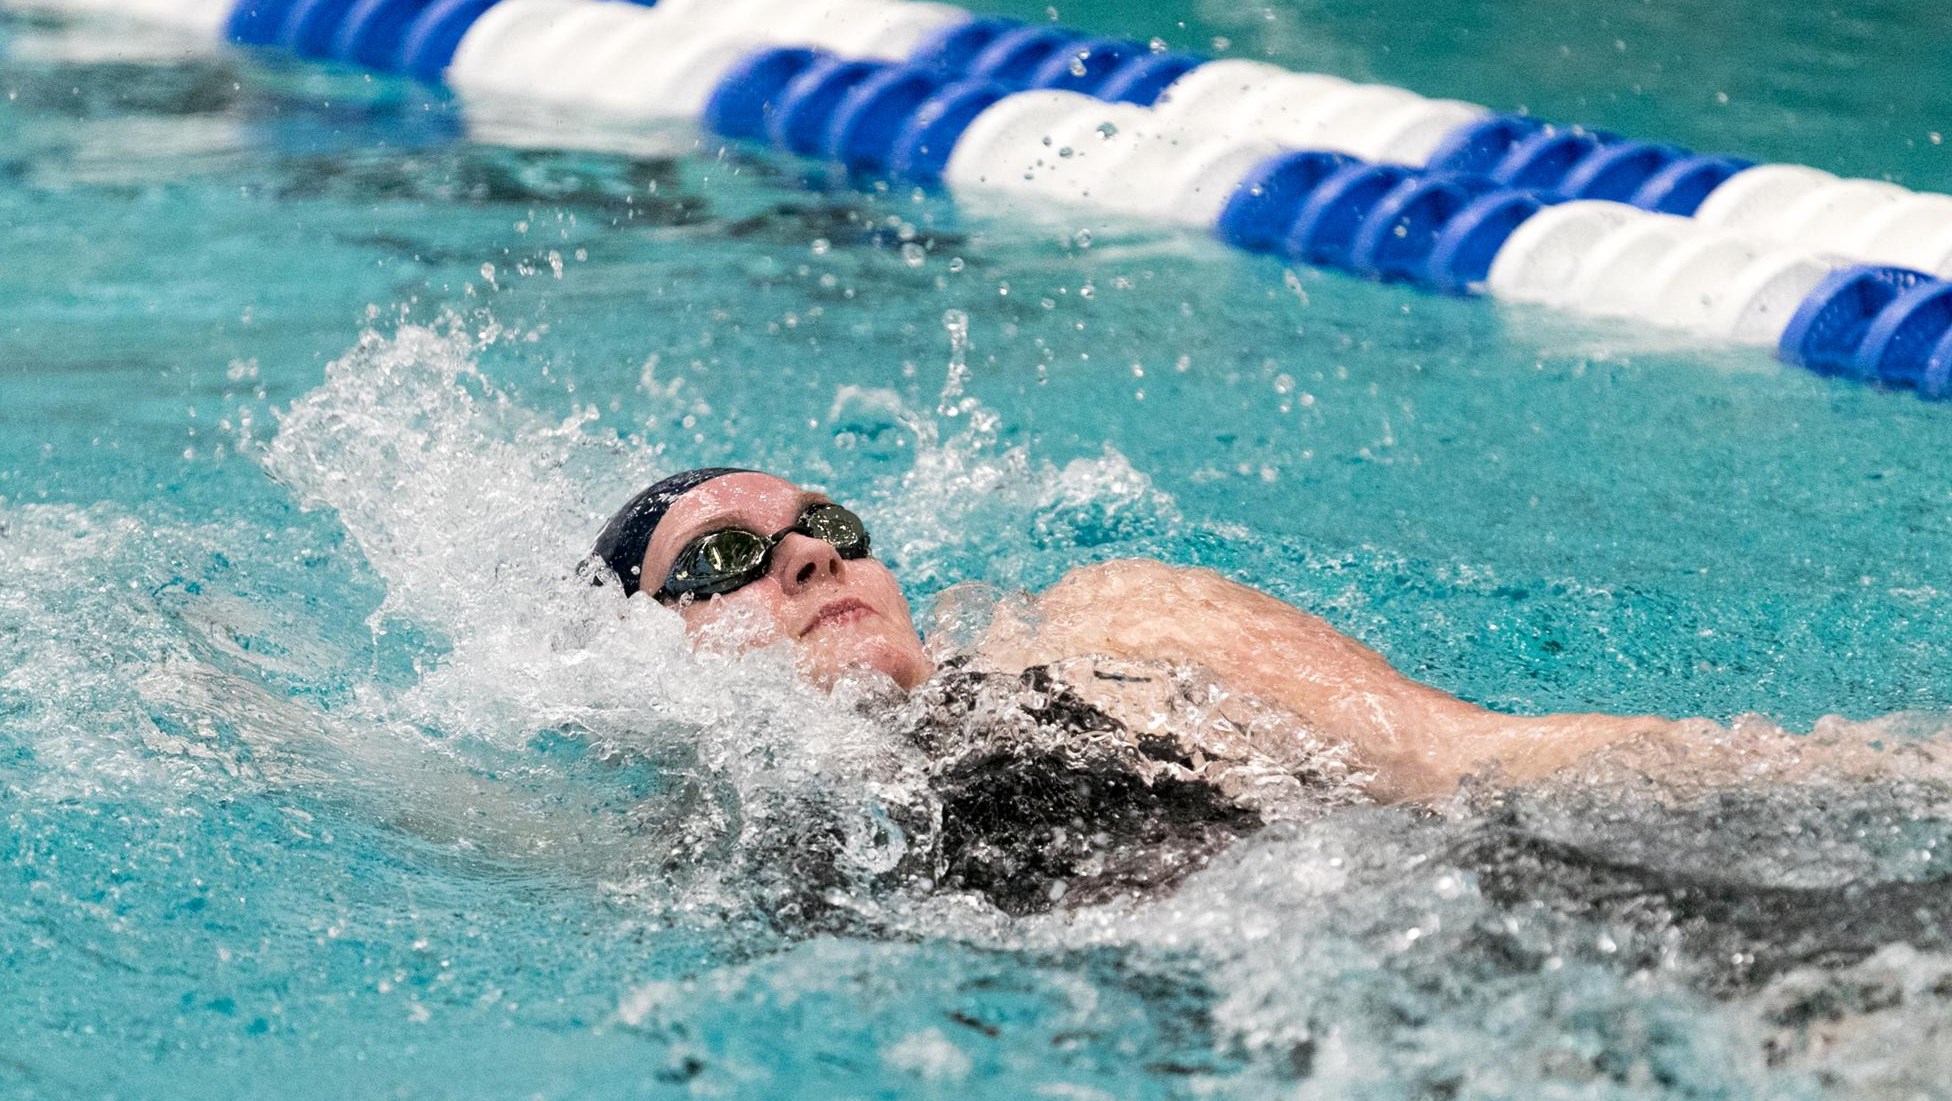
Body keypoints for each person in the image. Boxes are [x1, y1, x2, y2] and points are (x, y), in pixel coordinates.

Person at [589, 467, 1910, 914]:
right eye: (721, 560)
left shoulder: (1106, 626)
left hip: (1467, 912)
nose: (813, 551)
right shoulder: (721, 843)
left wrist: (1887, 767)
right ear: (650, 652)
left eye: (829, 520)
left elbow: (1472, 758)